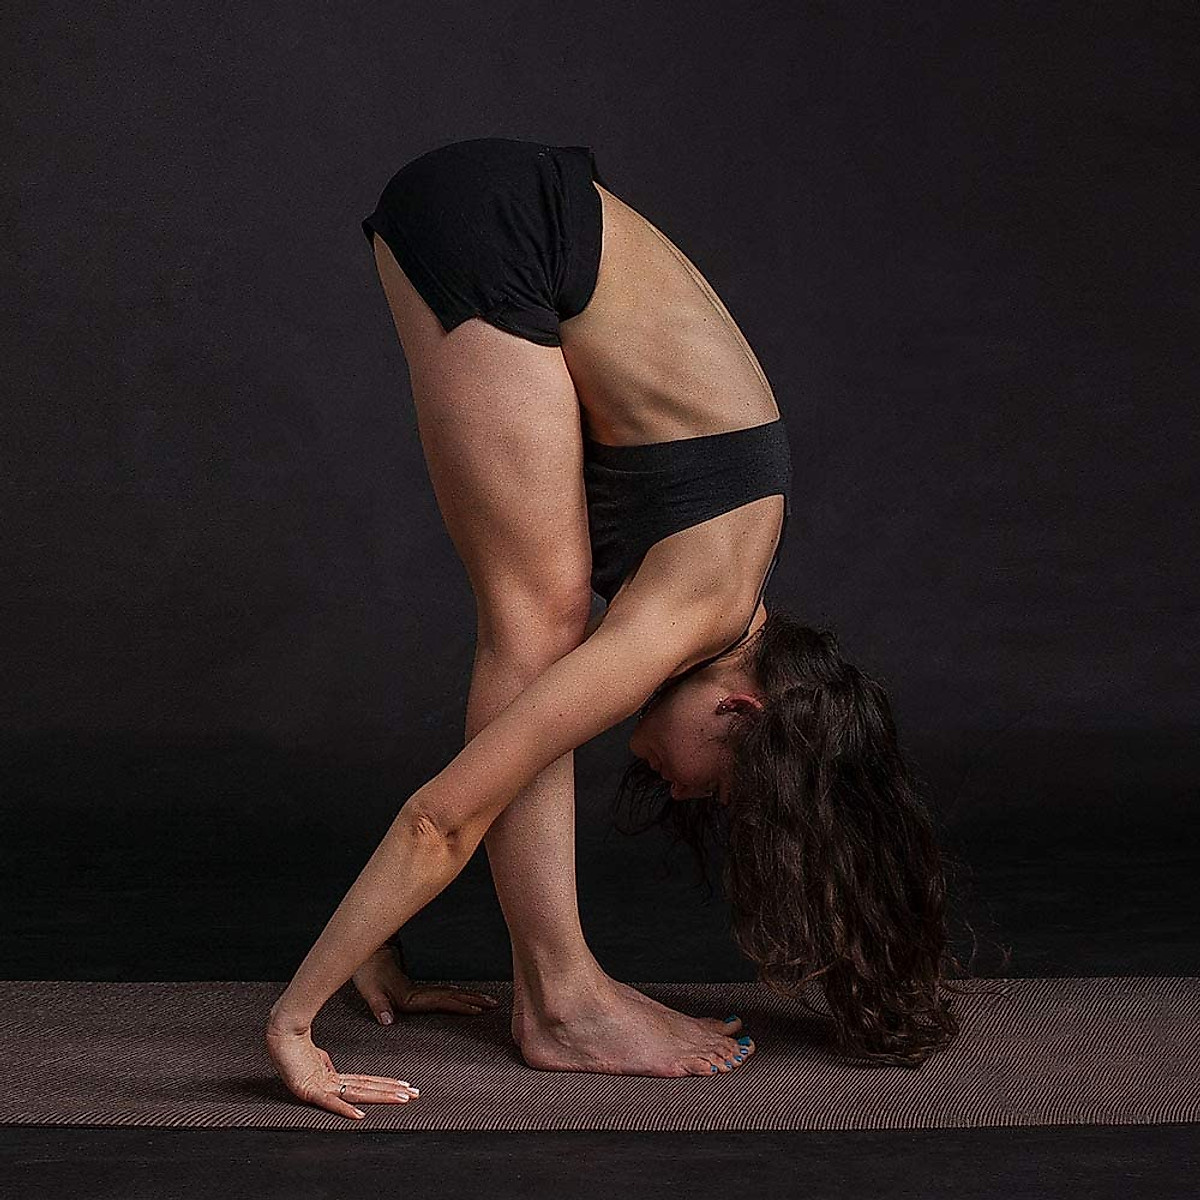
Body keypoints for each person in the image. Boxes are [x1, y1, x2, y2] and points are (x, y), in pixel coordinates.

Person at [265, 138, 964, 1120]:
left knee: (540, 641)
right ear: (740, 708)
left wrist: (374, 938)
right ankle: (561, 1003)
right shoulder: (690, 612)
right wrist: (295, 1022)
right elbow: (441, 818)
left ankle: (557, 993)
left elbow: (497, 765)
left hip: (518, 218)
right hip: (503, 225)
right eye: (715, 783)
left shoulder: (723, 577)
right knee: (534, 633)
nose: (679, 790)